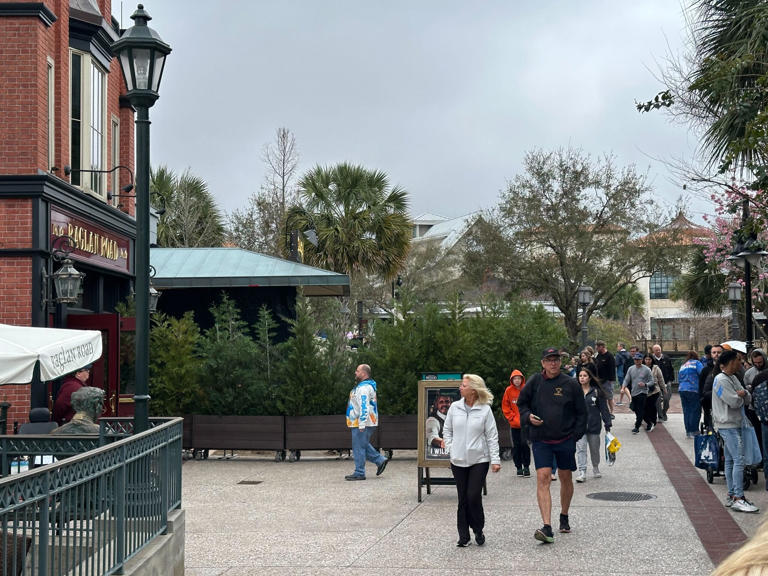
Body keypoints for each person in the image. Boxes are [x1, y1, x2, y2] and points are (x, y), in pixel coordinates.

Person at [517, 346, 587, 544]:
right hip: (541, 439)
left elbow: (581, 413)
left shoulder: (570, 384)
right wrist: (528, 417)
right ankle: (547, 526)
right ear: (543, 363)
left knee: (566, 477)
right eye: (549, 360)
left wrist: (575, 436)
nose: (553, 363)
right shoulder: (535, 381)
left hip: (565, 439)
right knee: (543, 477)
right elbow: (522, 404)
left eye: (556, 359)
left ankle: (564, 515)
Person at [440, 374, 501, 547]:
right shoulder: (454, 407)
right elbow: (447, 430)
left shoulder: (485, 409)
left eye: (464, 385)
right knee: (463, 499)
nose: (460, 387)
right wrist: (451, 448)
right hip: (457, 460)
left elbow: (491, 436)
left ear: (473, 390)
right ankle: (464, 536)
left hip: (479, 459)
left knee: (473, 495)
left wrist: (495, 459)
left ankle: (478, 528)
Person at [712, 349, 759, 513]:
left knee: (732, 460)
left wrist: (743, 393)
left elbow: (747, 397)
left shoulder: (732, 377)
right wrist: (742, 395)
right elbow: (734, 401)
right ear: (731, 362)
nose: (741, 362)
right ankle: (738, 497)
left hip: (734, 424)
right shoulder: (721, 379)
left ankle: (732, 495)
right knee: (738, 459)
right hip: (727, 425)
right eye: (738, 360)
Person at [344, 364, 388, 481]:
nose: (355, 372)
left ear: (363, 373)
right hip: (365, 422)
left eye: (357, 371)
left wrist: (361, 423)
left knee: (358, 447)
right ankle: (380, 460)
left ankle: (359, 472)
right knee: (362, 444)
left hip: (361, 423)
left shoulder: (363, 388)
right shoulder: (366, 386)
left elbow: (364, 406)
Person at [574, 367, 611, 483]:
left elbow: (604, 409)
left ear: (589, 378)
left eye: (584, 376)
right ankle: (582, 471)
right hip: (579, 427)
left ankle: (595, 467)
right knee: (581, 449)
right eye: (580, 376)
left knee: (594, 449)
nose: (582, 378)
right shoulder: (575, 392)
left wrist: (607, 424)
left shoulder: (596, 392)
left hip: (594, 426)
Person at [501, 369, 531, 477]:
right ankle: (518, 467)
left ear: (522, 379)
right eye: (515, 379)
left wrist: (528, 416)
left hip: (524, 422)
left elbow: (531, 404)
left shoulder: (526, 389)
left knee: (525, 444)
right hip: (514, 424)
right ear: (512, 380)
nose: (517, 380)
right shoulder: (508, 390)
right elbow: (505, 406)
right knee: (516, 445)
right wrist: (511, 417)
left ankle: (526, 467)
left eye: (519, 378)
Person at [623, 352, 652, 434]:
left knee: (640, 410)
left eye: (638, 359)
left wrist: (645, 384)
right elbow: (626, 379)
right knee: (635, 409)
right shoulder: (631, 369)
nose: (636, 361)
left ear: (641, 360)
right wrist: (623, 387)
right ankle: (649, 422)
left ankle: (637, 427)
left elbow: (652, 381)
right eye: (635, 359)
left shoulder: (647, 369)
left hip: (642, 392)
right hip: (633, 392)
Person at [678, 351, 704, 438]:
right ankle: (694, 431)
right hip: (693, 389)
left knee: (687, 411)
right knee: (695, 410)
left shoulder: (683, 365)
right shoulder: (697, 363)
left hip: (682, 389)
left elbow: (679, 378)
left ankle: (688, 431)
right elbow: (702, 374)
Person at [700, 344, 723, 430]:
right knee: (710, 425)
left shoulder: (727, 368)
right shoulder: (706, 369)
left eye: (719, 352)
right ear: (711, 354)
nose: (716, 354)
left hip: (723, 403)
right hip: (709, 401)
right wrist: (702, 399)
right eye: (714, 352)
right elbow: (701, 386)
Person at [425, 392, 453, 457]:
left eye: (447, 401)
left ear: (451, 404)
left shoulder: (454, 417)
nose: (444, 404)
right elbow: (433, 438)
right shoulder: (432, 420)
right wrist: (442, 443)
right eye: (441, 402)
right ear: (436, 405)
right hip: (438, 455)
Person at [594, 340, 617, 416]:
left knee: (609, 396)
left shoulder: (609, 356)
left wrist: (611, 380)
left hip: (608, 381)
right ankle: (604, 411)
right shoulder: (598, 355)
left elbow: (612, 369)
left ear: (602, 347)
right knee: (600, 396)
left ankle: (612, 411)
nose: (596, 348)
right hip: (599, 380)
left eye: (597, 347)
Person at [642, 353, 662, 431]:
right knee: (643, 408)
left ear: (652, 360)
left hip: (654, 391)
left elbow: (660, 379)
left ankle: (652, 421)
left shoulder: (656, 368)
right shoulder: (641, 368)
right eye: (646, 359)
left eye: (649, 359)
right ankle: (648, 421)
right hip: (643, 390)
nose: (647, 361)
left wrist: (664, 389)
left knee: (652, 406)